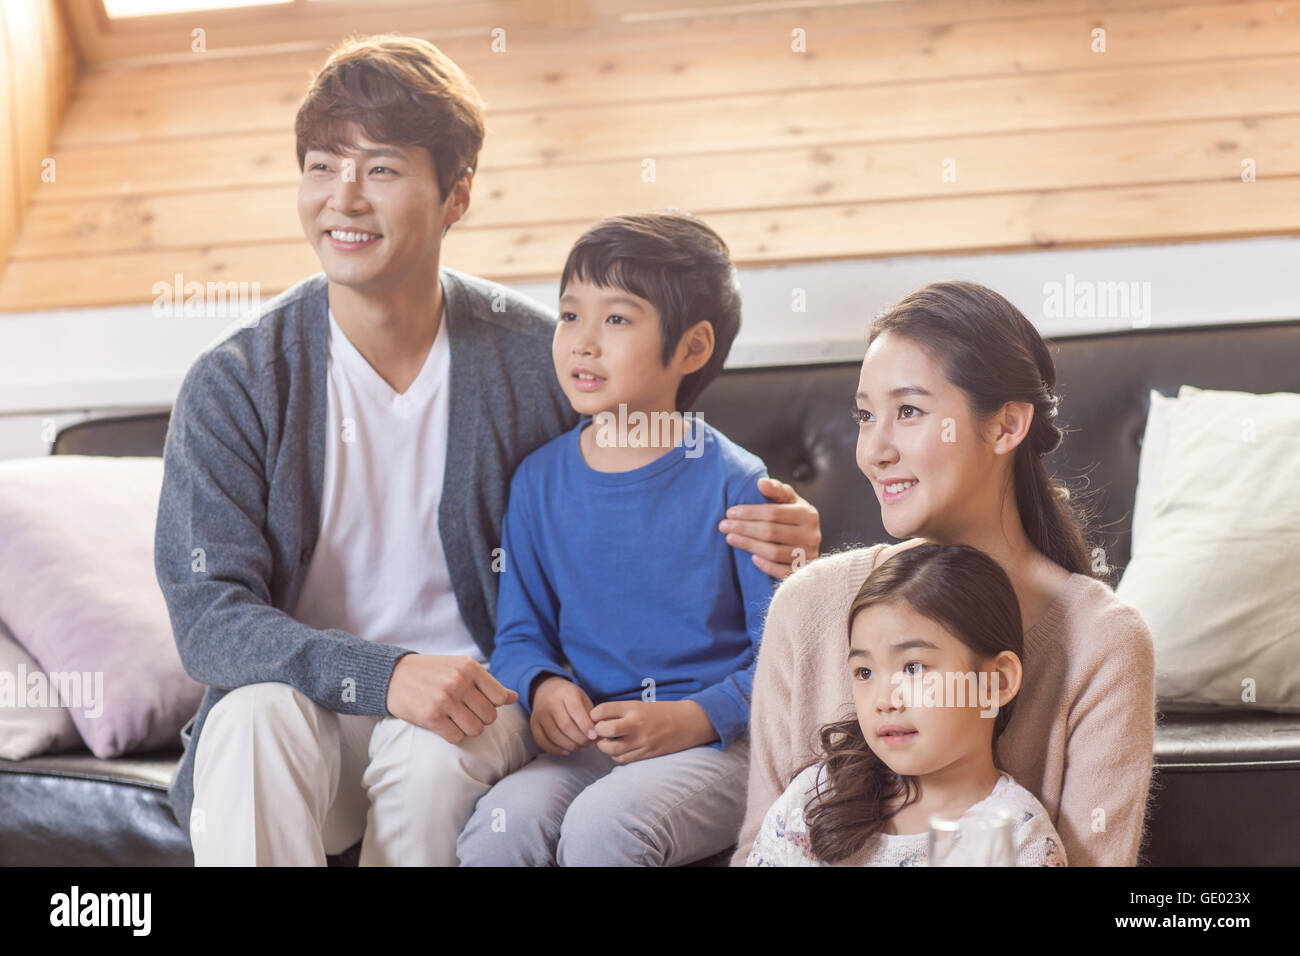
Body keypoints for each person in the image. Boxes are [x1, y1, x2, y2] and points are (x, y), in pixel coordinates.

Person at [153, 35, 821, 866]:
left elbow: (658, 453)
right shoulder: (238, 380)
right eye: (323, 166)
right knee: (252, 717)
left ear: (456, 194)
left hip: (479, 702)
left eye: (383, 170)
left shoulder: (535, 356)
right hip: (303, 709)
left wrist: (785, 533)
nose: (344, 199)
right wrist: (384, 673)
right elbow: (209, 621)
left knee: (438, 758)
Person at [732, 280, 1157, 867]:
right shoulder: (807, 605)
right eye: (864, 415)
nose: (872, 450)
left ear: (1006, 426)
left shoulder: (1102, 641)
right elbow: (764, 846)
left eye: (908, 411)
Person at [456, 212, 773, 866]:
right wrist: (543, 687)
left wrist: (695, 718)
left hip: (723, 746)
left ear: (691, 347)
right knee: (502, 824)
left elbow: (783, 657)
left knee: (607, 826)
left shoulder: (737, 483)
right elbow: (519, 635)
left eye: (618, 319)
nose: (583, 343)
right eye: (570, 316)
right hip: (596, 743)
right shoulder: (539, 481)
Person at [746, 543, 1066, 866]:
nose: (884, 700)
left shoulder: (1021, 842)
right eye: (865, 672)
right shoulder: (815, 799)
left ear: (996, 681)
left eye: (913, 668)